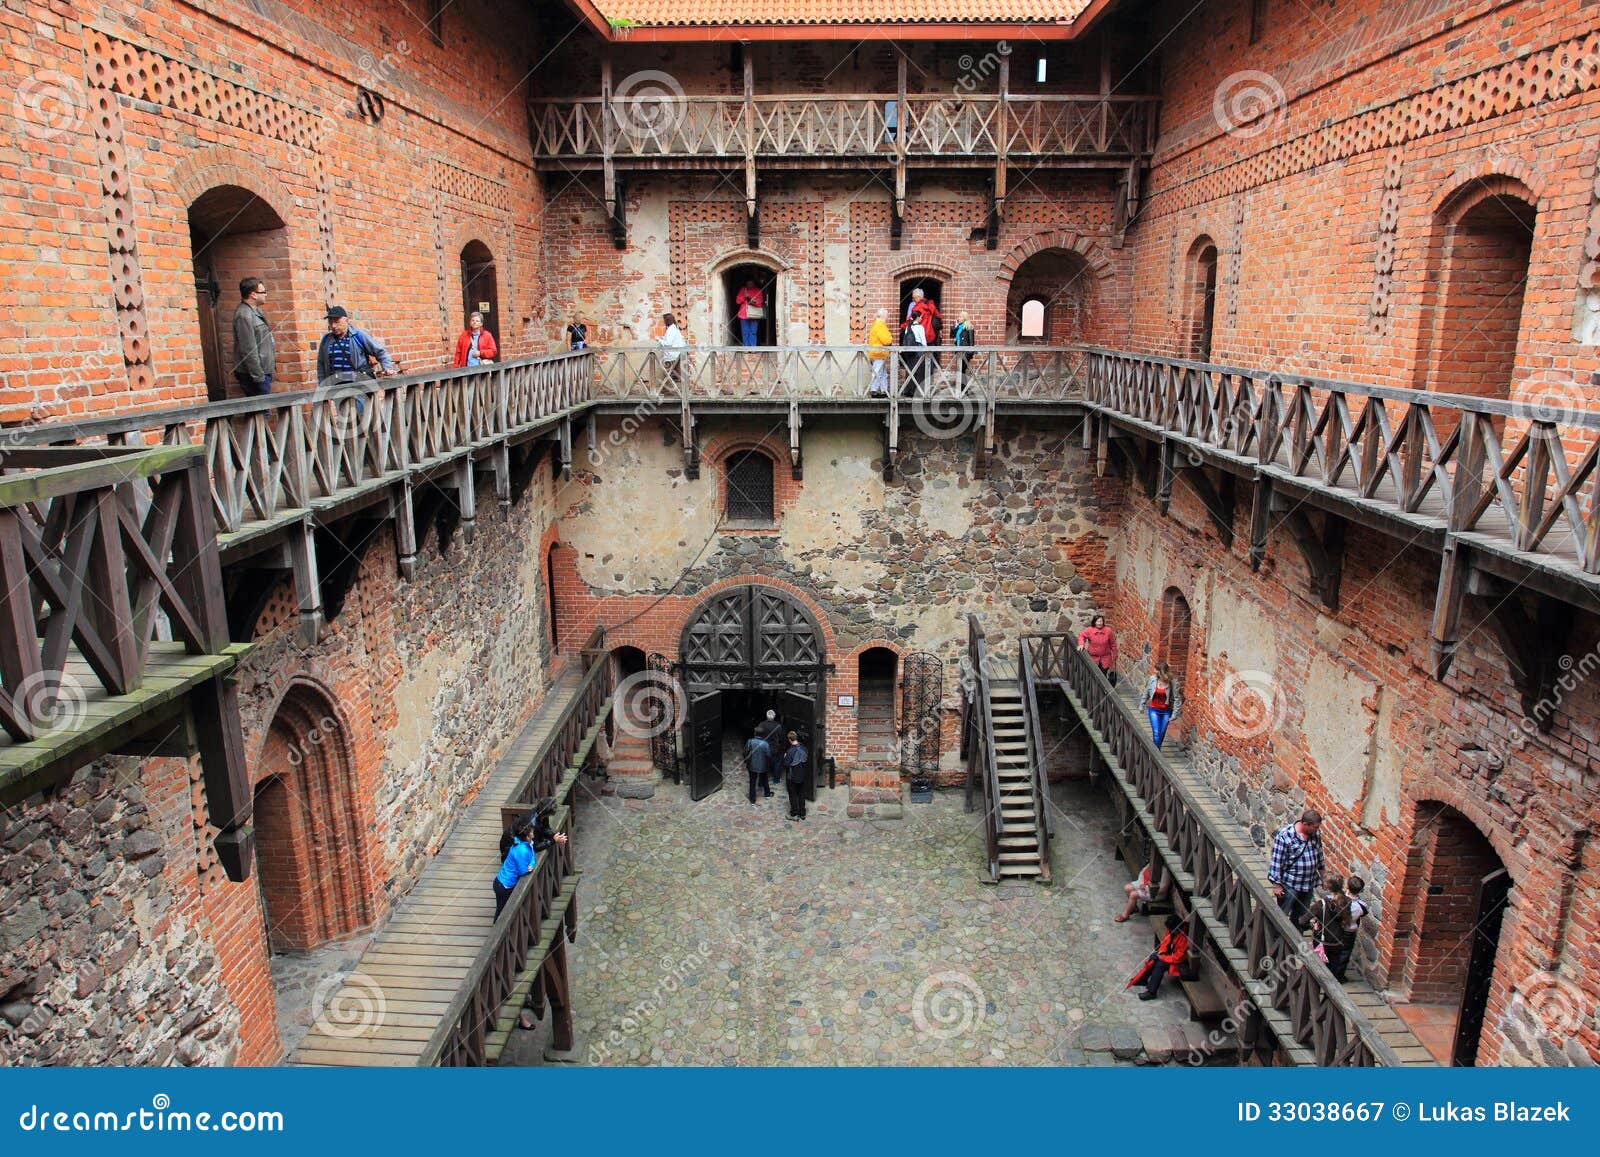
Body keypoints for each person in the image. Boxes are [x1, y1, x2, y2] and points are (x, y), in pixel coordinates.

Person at [491, 815, 567, 921]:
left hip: (504, 882)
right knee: (502, 910)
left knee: (506, 908)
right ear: (527, 837)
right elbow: (523, 870)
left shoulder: (525, 843)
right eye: (531, 832)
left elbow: (532, 857)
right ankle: (497, 929)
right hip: (503, 885)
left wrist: (531, 864)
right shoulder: (521, 850)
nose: (533, 833)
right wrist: (530, 866)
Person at [1268, 808, 1325, 931]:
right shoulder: (1285, 836)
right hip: (1289, 884)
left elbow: (1319, 857)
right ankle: (1275, 941)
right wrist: (1276, 885)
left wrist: (1323, 877)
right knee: (1282, 915)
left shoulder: (1315, 835)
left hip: (1307, 884)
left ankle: (1295, 944)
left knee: (1301, 916)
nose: (1317, 830)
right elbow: (1277, 861)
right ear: (1306, 824)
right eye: (1315, 827)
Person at [316, 306, 396, 389]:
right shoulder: (326, 340)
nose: (333, 326)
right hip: (337, 387)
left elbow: (380, 352)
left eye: (336, 321)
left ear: (346, 321)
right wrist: (323, 386)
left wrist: (387, 368)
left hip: (359, 385)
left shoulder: (358, 335)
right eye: (330, 322)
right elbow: (321, 364)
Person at [231, 277, 275, 396]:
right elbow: (248, 349)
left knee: (260, 411)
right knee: (261, 411)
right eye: (263, 292)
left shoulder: (256, 311)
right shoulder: (244, 315)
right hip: (254, 374)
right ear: (253, 295)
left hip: (262, 371)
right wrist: (259, 376)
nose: (266, 294)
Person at [1127, 918, 1189, 1001]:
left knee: (1160, 965)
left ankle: (1152, 992)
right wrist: (1161, 952)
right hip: (1170, 955)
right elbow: (1165, 942)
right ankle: (1143, 979)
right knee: (1154, 957)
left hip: (1179, 962)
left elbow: (1178, 958)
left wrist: (1163, 957)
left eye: (1171, 930)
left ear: (1177, 929)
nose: (1169, 931)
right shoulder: (1172, 930)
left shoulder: (1184, 939)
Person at [1310, 871, 1353, 974]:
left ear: (1328, 887)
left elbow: (1302, 921)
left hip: (1322, 941)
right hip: (1338, 942)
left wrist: (1312, 925)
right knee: (1333, 969)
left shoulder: (1321, 904)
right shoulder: (1347, 901)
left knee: (1317, 970)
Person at [901, 288, 941, 396]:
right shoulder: (931, 306)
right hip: (930, 339)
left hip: (920, 343)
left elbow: (909, 321)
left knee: (915, 367)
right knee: (928, 366)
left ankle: (913, 390)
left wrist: (904, 326)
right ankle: (927, 389)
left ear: (919, 297)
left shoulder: (918, 307)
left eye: (914, 298)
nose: (913, 300)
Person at [1332, 876, 1368, 982]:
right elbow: (1364, 913)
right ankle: (1339, 975)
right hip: (1350, 932)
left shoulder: (1338, 900)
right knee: (1345, 953)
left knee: (1334, 950)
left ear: (1347, 887)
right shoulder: (1361, 906)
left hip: (1337, 930)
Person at [1140, 662, 1180, 748]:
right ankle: (1156, 754)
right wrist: (1142, 704)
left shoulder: (1172, 682)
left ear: (1161, 672)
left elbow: (1177, 699)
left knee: (1161, 733)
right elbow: (1146, 692)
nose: (1154, 671)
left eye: (1156, 670)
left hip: (1166, 711)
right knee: (1156, 732)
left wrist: (1174, 714)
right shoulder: (1153, 679)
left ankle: (1156, 749)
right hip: (1154, 709)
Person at [1077, 613, 1119, 685]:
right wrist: (1081, 644)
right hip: (1093, 657)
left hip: (1105, 657)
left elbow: (1112, 643)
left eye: (1101, 621)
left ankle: (1102, 692)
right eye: (1098, 621)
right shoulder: (1089, 630)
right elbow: (1081, 636)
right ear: (1095, 622)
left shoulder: (1108, 631)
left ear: (1103, 622)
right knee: (1093, 674)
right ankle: (1092, 689)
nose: (1099, 623)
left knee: (1103, 675)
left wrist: (1115, 654)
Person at [782, 730, 809, 821]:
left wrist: (785, 757)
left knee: (793, 795)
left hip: (792, 776)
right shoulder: (804, 748)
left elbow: (786, 764)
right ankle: (802, 813)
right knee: (801, 794)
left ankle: (794, 813)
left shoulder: (790, 751)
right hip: (802, 774)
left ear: (790, 739)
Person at [867, 308, 893, 397]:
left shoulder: (876, 324)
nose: (888, 317)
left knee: (882, 373)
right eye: (887, 315)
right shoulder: (880, 325)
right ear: (883, 315)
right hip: (878, 353)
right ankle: (874, 390)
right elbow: (886, 340)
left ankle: (883, 391)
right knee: (878, 372)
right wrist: (890, 338)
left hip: (877, 353)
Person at [744, 724, 774, 804]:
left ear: (755, 733)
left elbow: (745, 752)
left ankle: (752, 799)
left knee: (752, 782)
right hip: (763, 765)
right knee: (765, 779)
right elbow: (768, 755)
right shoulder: (765, 744)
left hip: (752, 765)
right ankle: (767, 793)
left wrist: (746, 760)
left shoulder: (750, 741)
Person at [658, 311, 687, 388]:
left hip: (673, 355)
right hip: (677, 354)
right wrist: (662, 338)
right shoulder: (674, 328)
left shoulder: (671, 329)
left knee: (667, 373)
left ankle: (670, 390)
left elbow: (668, 343)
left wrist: (659, 340)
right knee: (674, 374)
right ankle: (675, 390)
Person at [735, 279, 765, 347]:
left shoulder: (757, 290)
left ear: (754, 283)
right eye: (748, 283)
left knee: (753, 332)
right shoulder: (743, 290)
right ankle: (746, 347)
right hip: (743, 314)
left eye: (751, 283)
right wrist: (744, 297)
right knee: (745, 332)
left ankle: (752, 347)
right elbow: (737, 301)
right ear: (746, 283)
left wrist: (752, 300)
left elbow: (760, 302)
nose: (750, 285)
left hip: (754, 314)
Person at [950, 310, 975, 391]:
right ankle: (962, 389)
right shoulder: (959, 327)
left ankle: (963, 389)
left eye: (960, 317)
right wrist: (956, 326)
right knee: (960, 370)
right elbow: (951, 335)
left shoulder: (969, 327)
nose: (958, 318)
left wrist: (969, 354)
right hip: (959, 352)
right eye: (959, 316)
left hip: (965, 353)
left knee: (962, 370)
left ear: (964, 318)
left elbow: (971, 343)